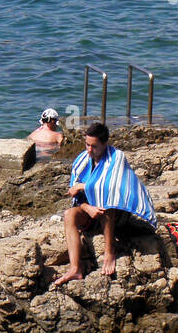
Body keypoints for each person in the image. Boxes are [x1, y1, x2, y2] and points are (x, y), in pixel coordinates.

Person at [51, 122, 156, 288]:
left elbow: (109, 187)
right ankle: (75, 268)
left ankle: (109, 252)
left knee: (106, 201)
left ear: (105, 144)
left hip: (116, 213)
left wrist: (82, 186)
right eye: (87, 145)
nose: (89, 150)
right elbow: (77, 196)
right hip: (92, 210)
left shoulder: (117, 157)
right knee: (69, 214)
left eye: (94, 146)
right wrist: (87, 207)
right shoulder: (82, 160)